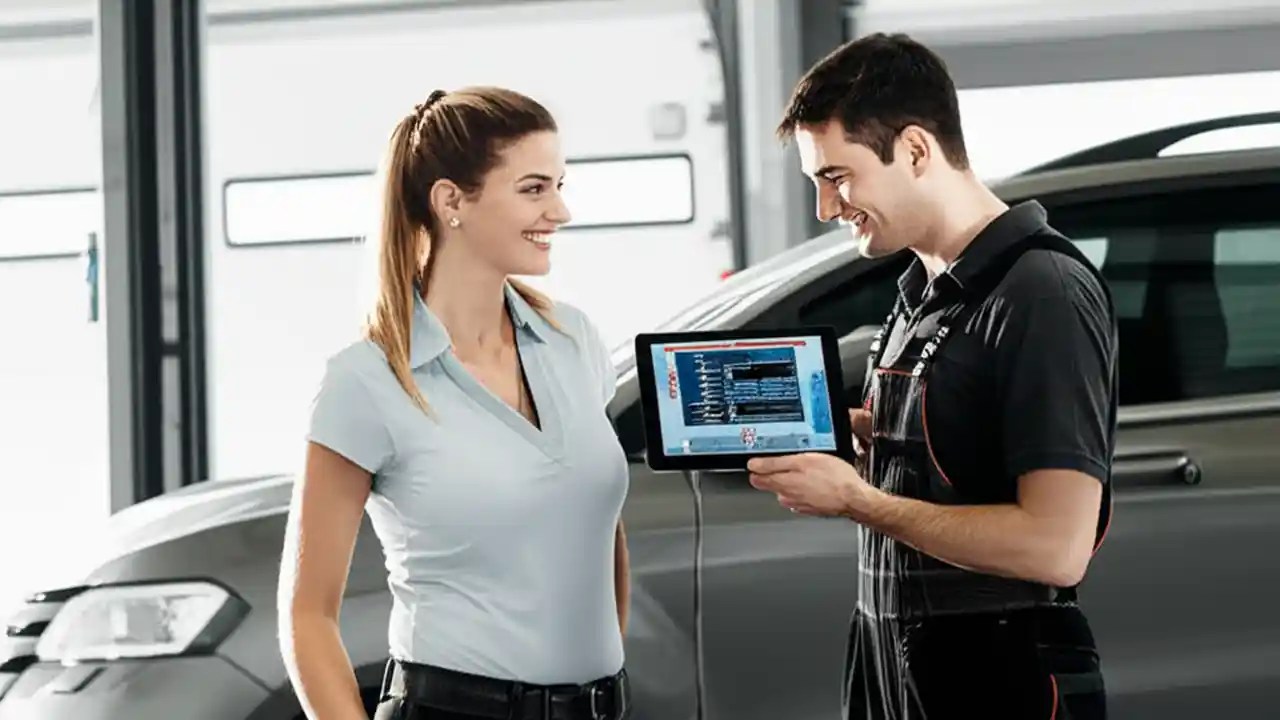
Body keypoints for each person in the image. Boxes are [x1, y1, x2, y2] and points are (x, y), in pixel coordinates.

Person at [746, 34, 1117, 719]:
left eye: (837, 177)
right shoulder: (921, 287)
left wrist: (859, 501)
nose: (828, 208)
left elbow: (1056, 547)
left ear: (915, 150)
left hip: (994, 671)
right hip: (894, 655)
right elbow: (956, 448)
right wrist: (873, 441)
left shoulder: (1041, 292)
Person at [276, 87, 632, 720]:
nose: (561, 211)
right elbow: (307, 617)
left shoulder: (574, 340)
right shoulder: (366, 381)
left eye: (560, 184)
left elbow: (600, 532)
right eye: (534, 189)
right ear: (451, 202)